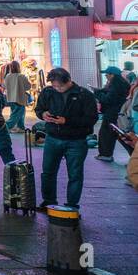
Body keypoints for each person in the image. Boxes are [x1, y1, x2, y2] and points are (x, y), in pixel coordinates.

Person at [33, 67, 97, 211]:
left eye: (60, 86)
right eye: (54, 85)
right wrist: (43, 114)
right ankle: (48, 201)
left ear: (68, 81)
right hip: (52, 138)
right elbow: (39, 109)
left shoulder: (84, 95)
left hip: (76, 141)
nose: (57, 88)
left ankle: (72, 205)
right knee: (48, 172)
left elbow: (91, 119)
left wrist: (66, 121)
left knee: (75, 174)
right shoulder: (48, 92)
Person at [94, 66, 129, 163]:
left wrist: (97, 93)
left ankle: (106, 155)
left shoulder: (116, 84)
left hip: (112, 114)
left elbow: (108, 100)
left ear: (112, 75)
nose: (106, 76)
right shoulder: (121, 83)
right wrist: (101, 91)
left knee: (107, 135)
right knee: (119, 135)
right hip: (117, 114)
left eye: (107, 74)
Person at [2, 60, 30, 132]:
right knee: (16, 115)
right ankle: (5, 128)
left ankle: (20, 127)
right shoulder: (22, 76)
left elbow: (4, 86)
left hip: (10, 98)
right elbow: (28, 86)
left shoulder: (7, 76)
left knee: (17, 114)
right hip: (20, 98)